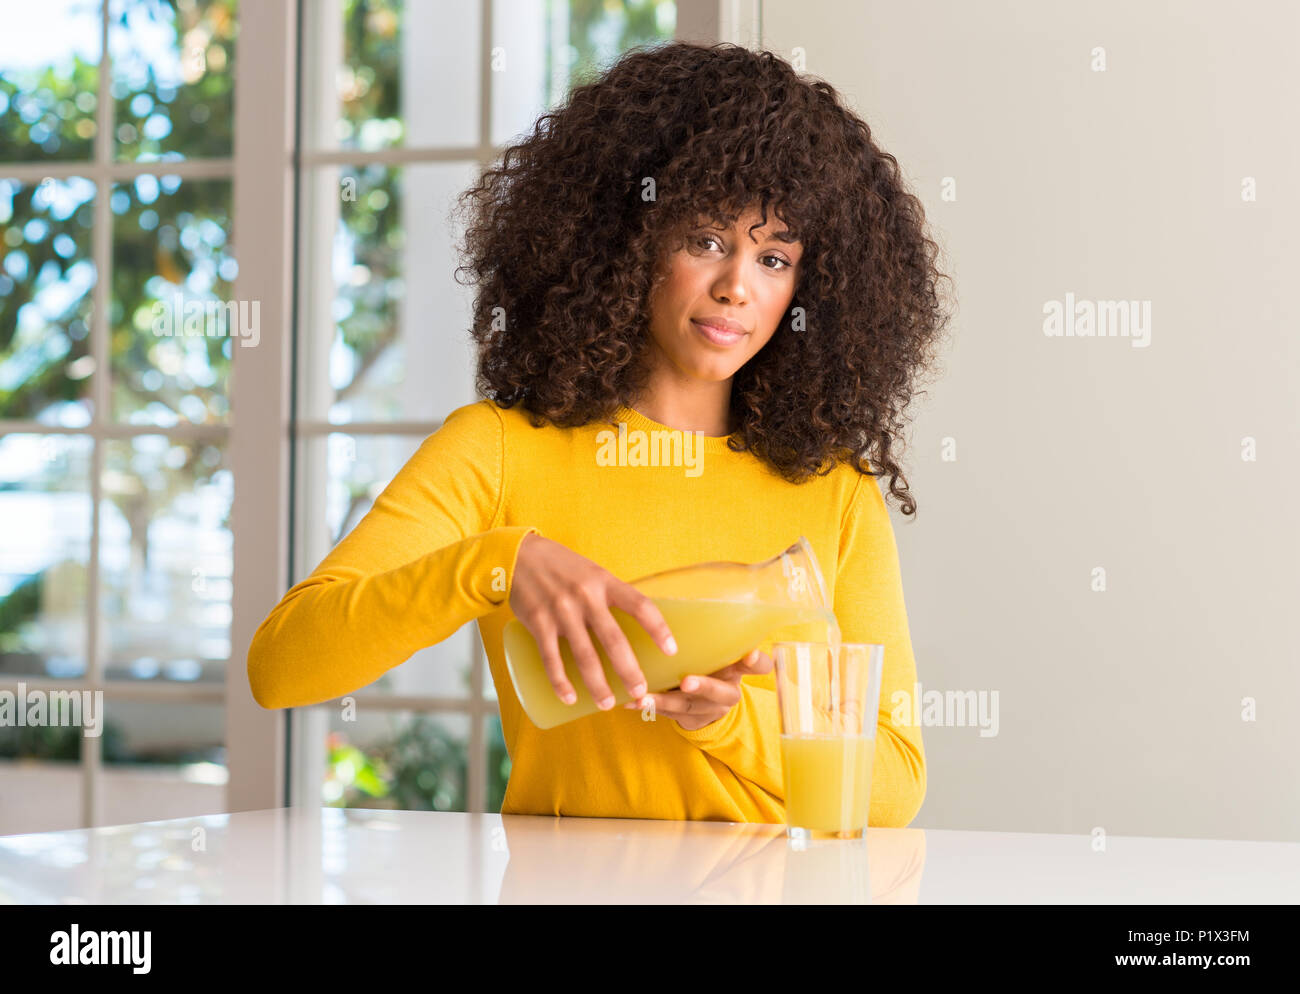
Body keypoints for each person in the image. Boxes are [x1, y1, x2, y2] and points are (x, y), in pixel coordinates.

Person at [248, 41, 952, 826]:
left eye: (775, 257)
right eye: (707, 240)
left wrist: (727, 721)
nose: (736, 287)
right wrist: (497, 563)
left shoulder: (834, 496)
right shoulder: (501, 451)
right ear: (625, 240)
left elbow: (894, 781)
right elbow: (283, 666)